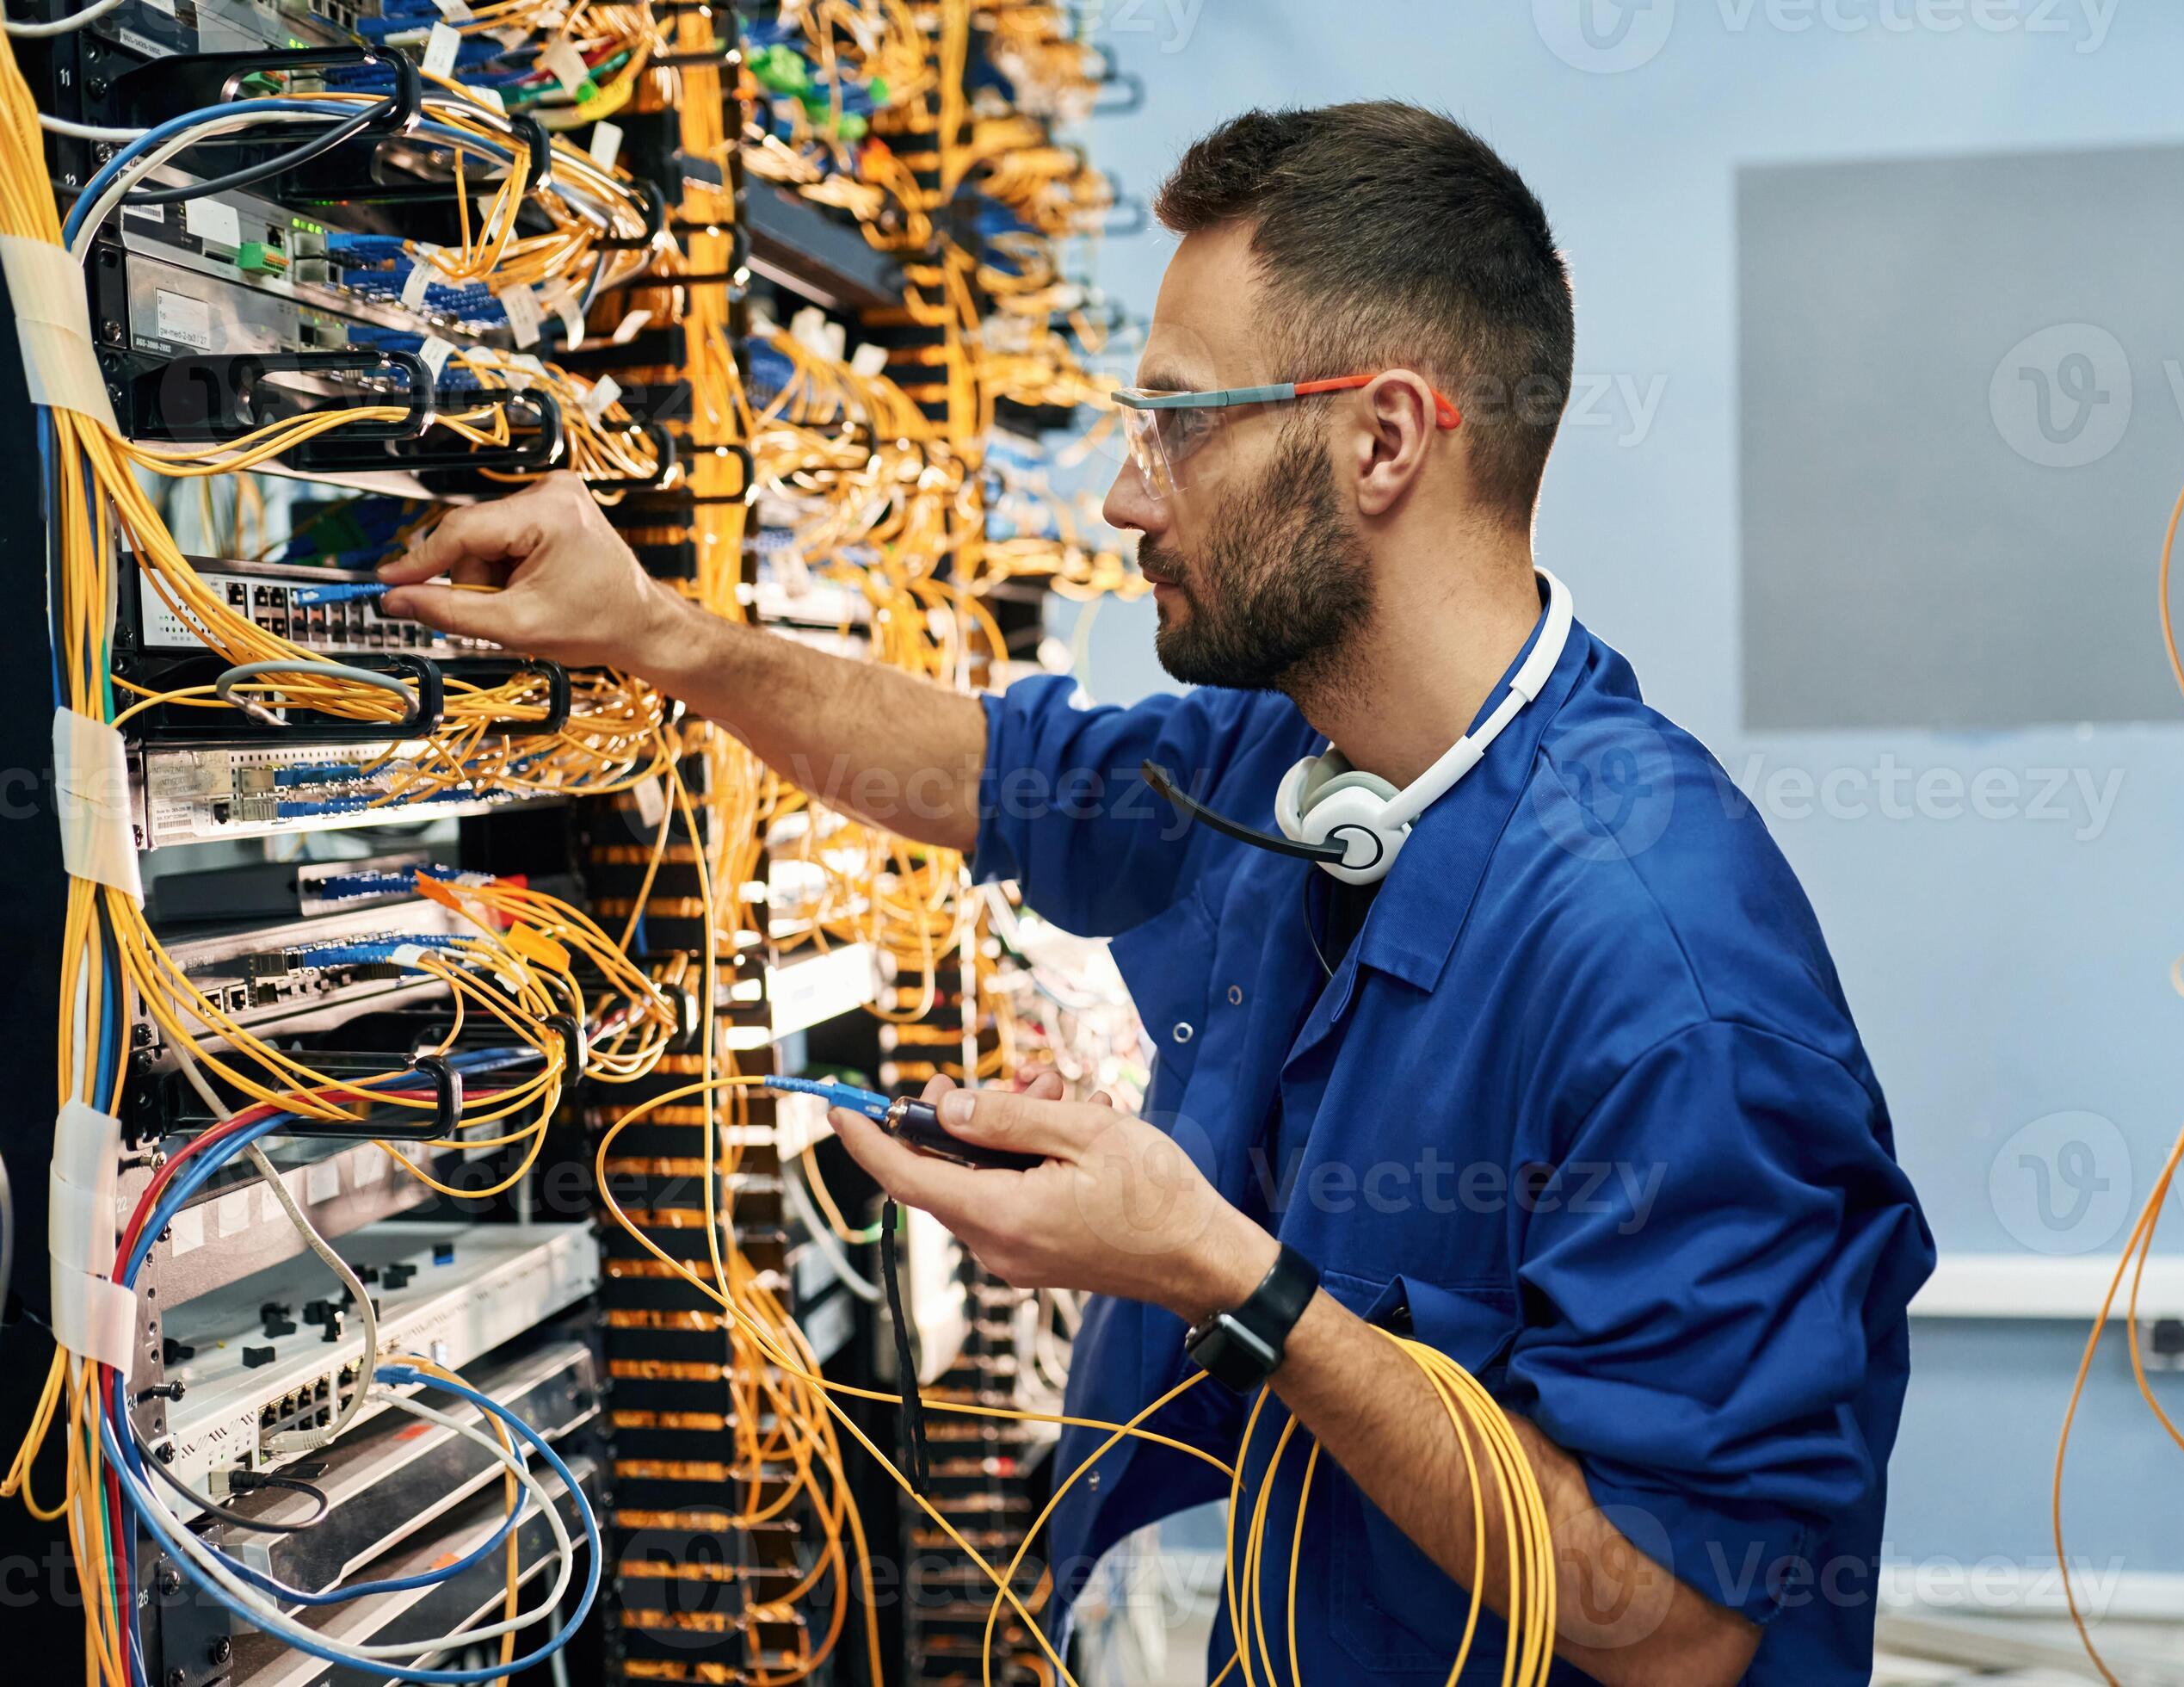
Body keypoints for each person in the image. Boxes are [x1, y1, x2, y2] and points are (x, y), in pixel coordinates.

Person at [380, 100, 1934, 1687]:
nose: (1128, 498)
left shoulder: (1661, 973)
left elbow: (1679, 1628)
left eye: (1180, 424)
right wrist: (660, 637)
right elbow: (988, 773)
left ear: (1382, 440)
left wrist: (1222, 1275)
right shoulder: (1301, 753)